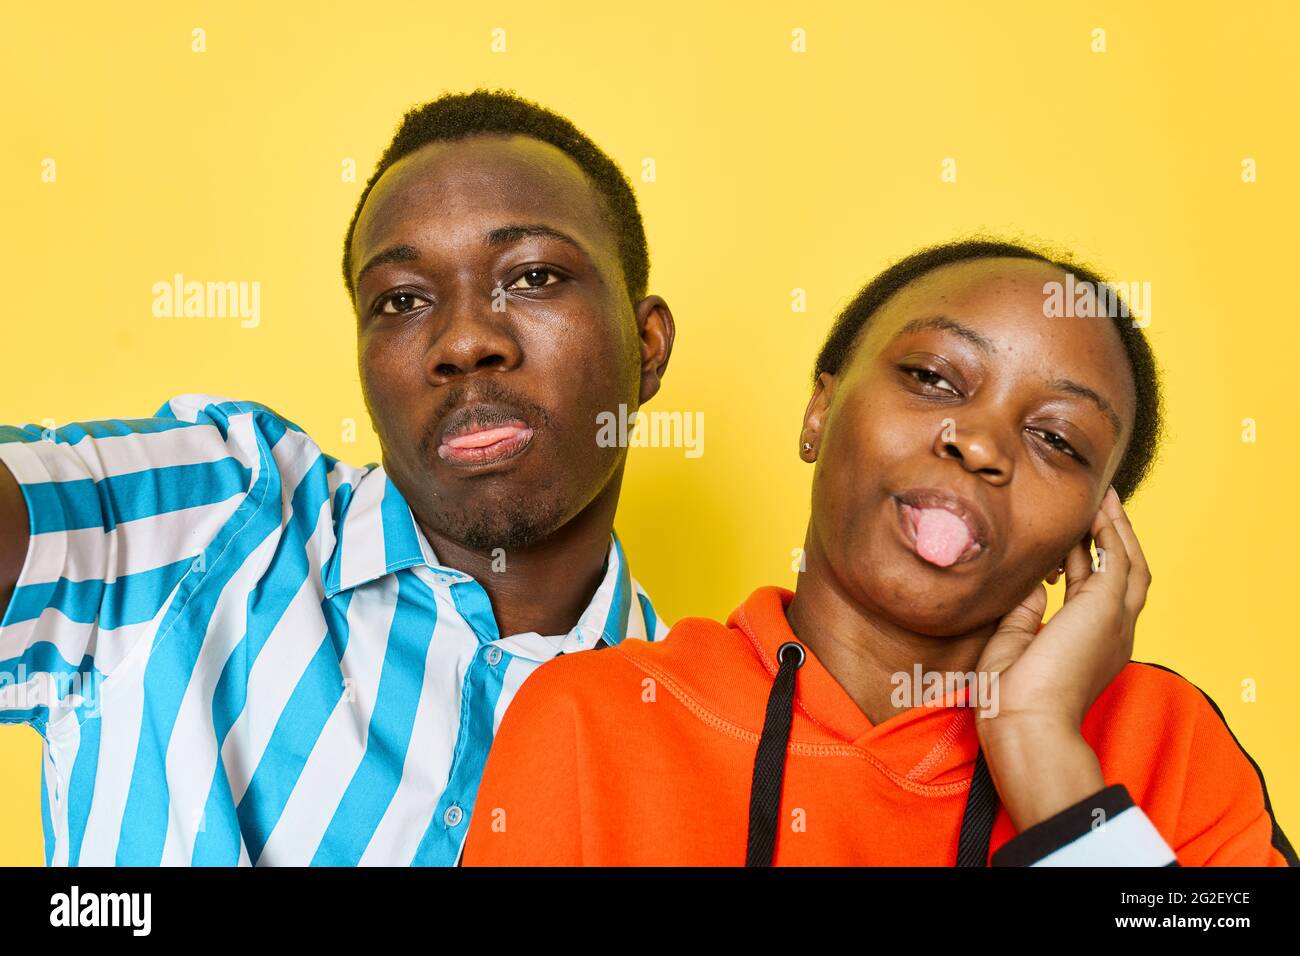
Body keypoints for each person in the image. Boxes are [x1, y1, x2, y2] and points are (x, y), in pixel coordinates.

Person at [0, 88, 676, 866]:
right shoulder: (211, 516)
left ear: (648, 344)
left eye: (531, 278)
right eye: (401, 299)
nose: (462, 341)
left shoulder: (697, 735)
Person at [463, 239, 1296, 866]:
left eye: (1056, 438)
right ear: (819, 411)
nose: (977, 442)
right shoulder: (593, 714)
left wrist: (1050, 761)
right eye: (934, 377)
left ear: (1090, 534)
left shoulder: (1170, 743)